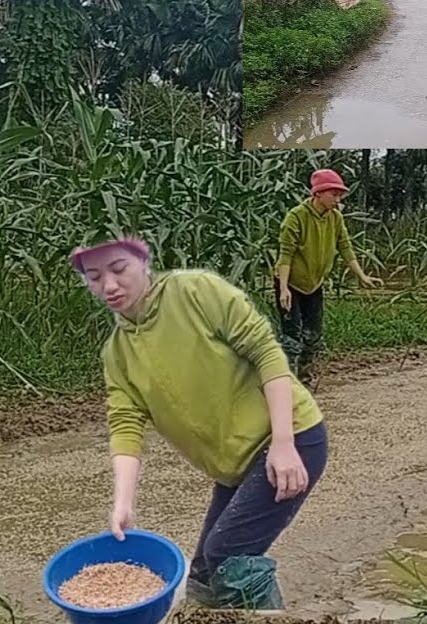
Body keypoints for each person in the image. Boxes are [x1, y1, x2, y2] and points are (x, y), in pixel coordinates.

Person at [70, 236, 327, 611]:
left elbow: (267, 352)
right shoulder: (117, 353)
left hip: (290, 437)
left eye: (119, 269)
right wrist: (122, 505)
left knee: (227, 555)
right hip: (235, 465)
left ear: (144, 262)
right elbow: (126, 427)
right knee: (205, 576)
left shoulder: (194, 291)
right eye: (94, 277)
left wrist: (284, 444)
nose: (108, 285)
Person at [275, 169, 381, 390]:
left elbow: (345, 246)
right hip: (291, 284)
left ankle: (304, 383)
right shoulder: (296, 217)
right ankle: (285, 386)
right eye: (334, 194)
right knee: (292, 338)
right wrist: (283, 288)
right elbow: (285, 254)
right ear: (319, 194)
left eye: (339, 195)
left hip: (315, 284)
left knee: (313, 336)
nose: (338, 199)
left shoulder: (335, 218)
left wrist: (361, 275)